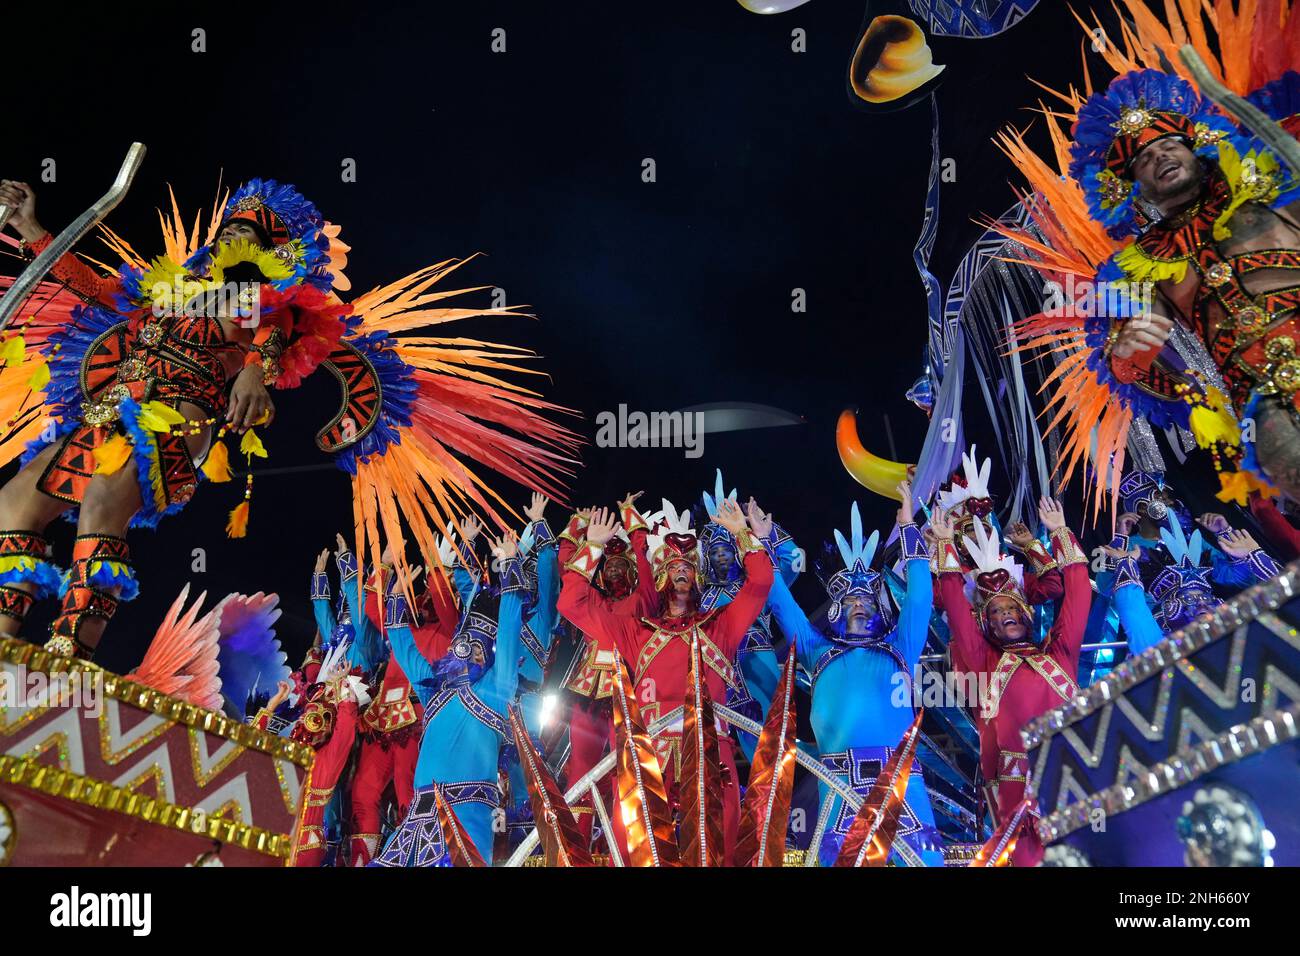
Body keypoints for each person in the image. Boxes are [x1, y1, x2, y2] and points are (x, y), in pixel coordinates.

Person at [557, 496, 772, 865]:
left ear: (698, 574)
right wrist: (592, 545)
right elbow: (571, 605)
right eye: (673, 565)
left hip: (710, 755)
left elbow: (760, 582)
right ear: (659, 575)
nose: (681, 571)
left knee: (717, 849)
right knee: (635, 851)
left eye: (688, 565)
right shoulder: (635, 632)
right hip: (650, 757)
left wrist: (743, 535)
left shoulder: (721, 627)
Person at [763, 481, 942, 866]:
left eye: (865, 598)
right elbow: (780, 603)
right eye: (850, 600)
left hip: (902, 779)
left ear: (878, 606)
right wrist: (762, 542)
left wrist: (909, 525)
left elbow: (920, 597)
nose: (858, 604)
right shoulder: (817, 650)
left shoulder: (900, 646)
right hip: (840, 782)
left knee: (928, 863)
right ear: (836, 609)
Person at [933, 496, 1090, 866]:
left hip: (1067, 771)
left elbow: (1079, 597)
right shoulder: (985, 661)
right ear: (986, 624)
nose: (1007, 614)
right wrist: (943, 543)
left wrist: (1059, 533)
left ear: (1027, 616)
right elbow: (955, 606)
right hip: (1014, 782)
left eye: (1013, 608)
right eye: (998, 611)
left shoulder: (1058, 654)